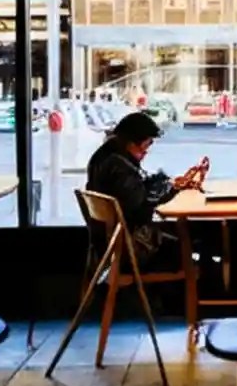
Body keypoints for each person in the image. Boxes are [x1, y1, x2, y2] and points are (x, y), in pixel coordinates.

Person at [85, 112, 202, 270]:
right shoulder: (119, 167)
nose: (146, 151)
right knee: (192, 237)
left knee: (186, 233)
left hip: (109, 246)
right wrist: (167, 189)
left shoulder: (104, 157)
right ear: (132, 143)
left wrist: (167, 186)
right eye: (146, 145)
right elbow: (140, 209)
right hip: (131, 248)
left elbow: (133, 193)